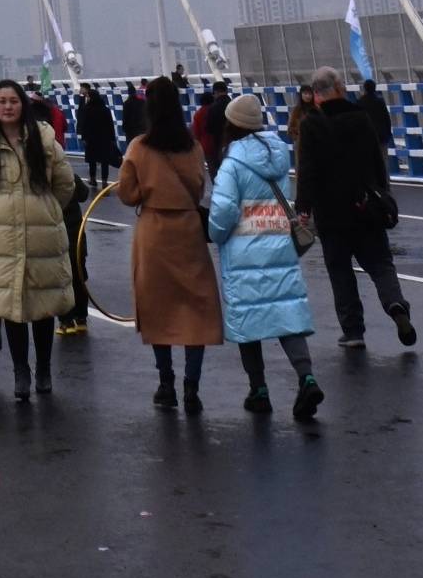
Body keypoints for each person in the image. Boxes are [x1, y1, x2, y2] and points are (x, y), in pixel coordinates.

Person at [205, 94, 325, 422]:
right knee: (287, 312)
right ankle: (307, 377)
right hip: (279, 244)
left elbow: (223, 213)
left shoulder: (232, 164)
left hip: (244, 252)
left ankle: (258, 390)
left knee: (249, 319)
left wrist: (214, 234)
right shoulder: (277, 154)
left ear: (232, 125)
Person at [0, 83, 79, 399]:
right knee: (12, 308)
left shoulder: (44, 139)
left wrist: (46, 209)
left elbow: (65, 184)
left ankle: (43, 369)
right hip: (2, 237)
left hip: (42, 234)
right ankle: (20, 371)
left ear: (23, 105)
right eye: (2, 101)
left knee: (43, 306)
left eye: (14, 101)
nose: (8, 106)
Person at [114, 74, 223, 413]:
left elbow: (127, 193)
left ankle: (166, 383)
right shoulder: (192, 147)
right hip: (188, 231)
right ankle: (192, 386)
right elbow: (199, 188)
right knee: (195, 308)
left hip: (154, 232)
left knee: (157, 307)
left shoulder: (139, 147)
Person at [292, 67, 418, 355]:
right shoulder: (360, 117)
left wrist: (303, 207)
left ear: (316, 94)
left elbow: (307, 170)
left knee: (340, 271)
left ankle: (353, 332)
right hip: (365, 206)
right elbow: (376, 162)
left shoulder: (311, 124)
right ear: (339, 88)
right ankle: (395, 303)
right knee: (380, 264)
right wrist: (383, 194)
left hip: (330, 212)